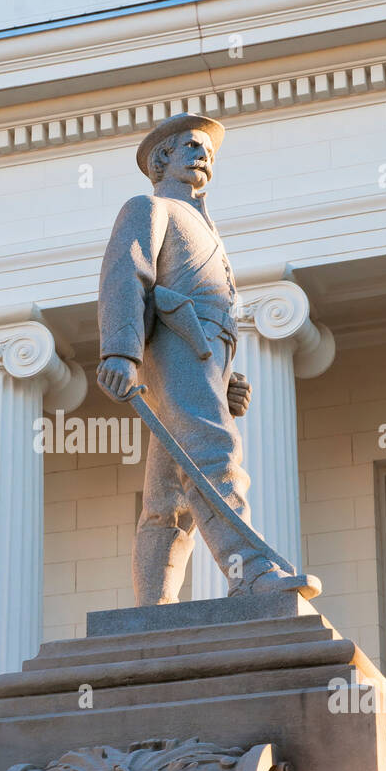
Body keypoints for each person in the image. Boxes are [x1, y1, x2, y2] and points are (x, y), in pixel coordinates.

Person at [97, 113, 301, 604]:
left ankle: (152, 609)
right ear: (162, 158)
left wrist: (224, 379)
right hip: (172, 344)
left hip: (202, 357)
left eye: (207, 150)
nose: (203, 154)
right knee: (214, 450)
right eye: (191, 145)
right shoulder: (147, 207)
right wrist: (121, 352)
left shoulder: (206, 224)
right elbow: (126, 273)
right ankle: (251, 572)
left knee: (168, 503)